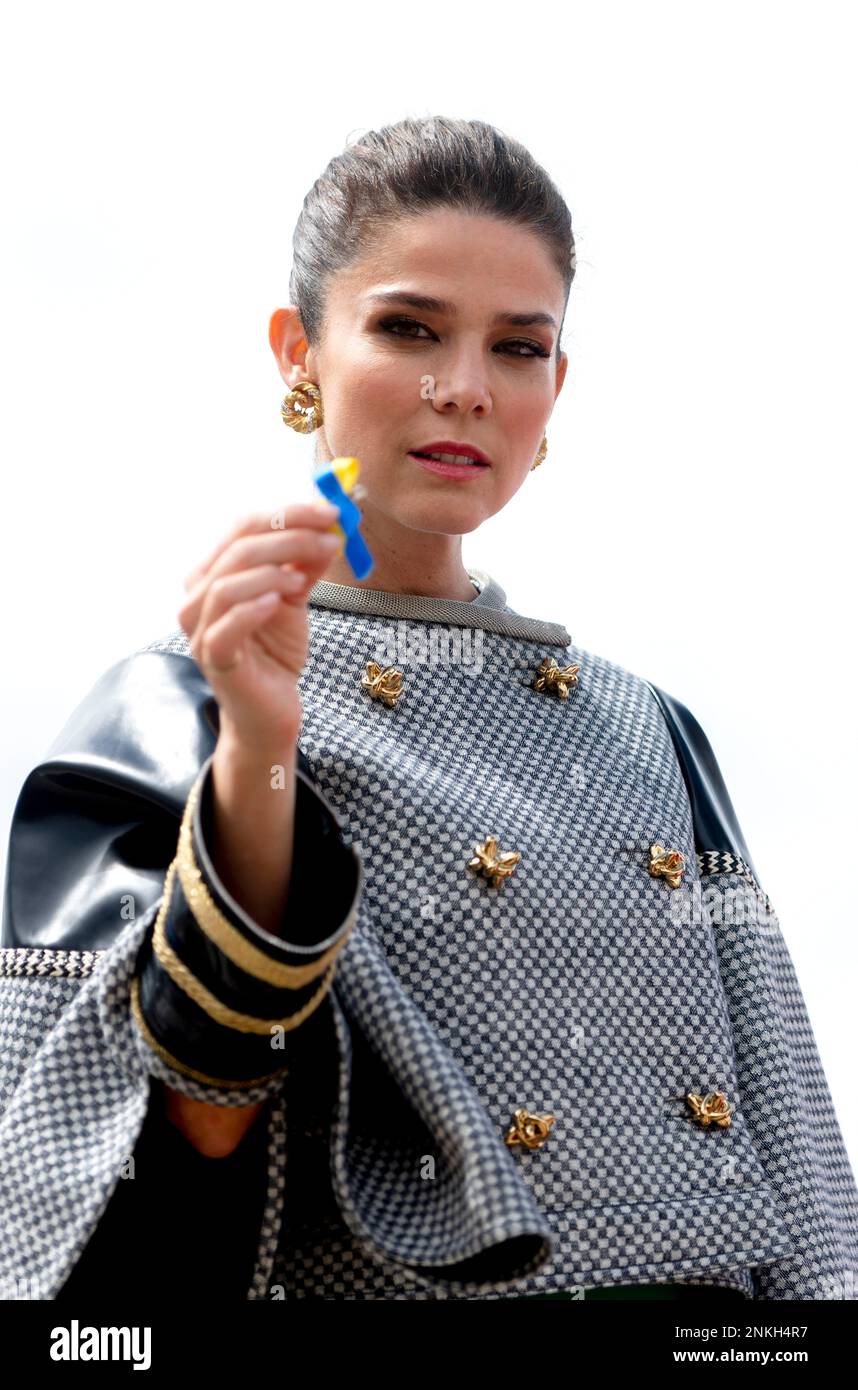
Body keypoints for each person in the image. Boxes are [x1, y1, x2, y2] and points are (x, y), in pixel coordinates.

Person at [2, 115, 857, 1303]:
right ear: (299, 350)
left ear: (556, 386)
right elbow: (166, 1146)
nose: (465, 388)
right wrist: (258, 745)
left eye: (518, 348)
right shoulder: (171, 702)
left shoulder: (648, 726)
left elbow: (787, 1120)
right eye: (409, 329)